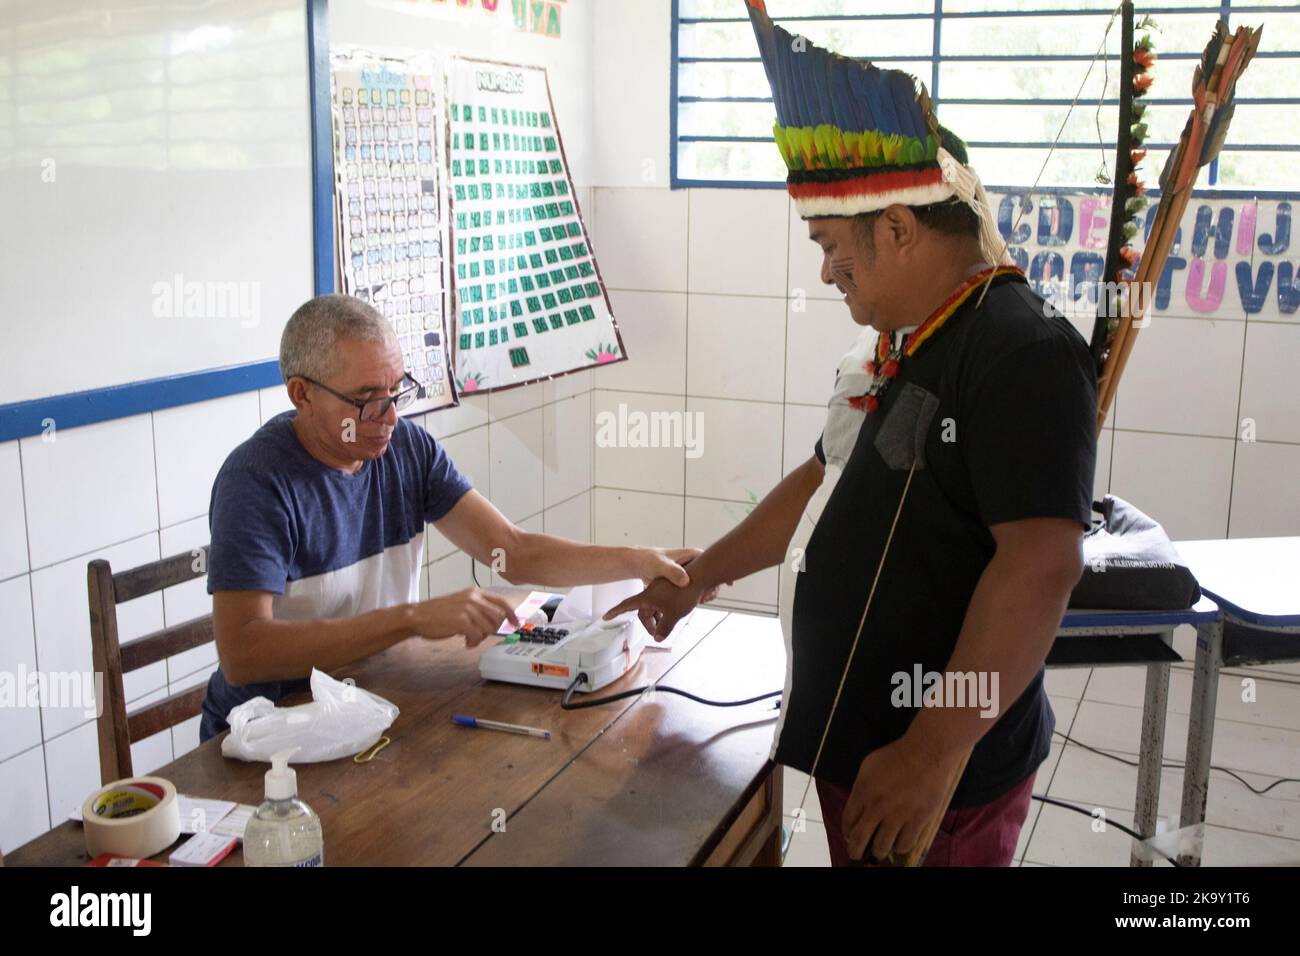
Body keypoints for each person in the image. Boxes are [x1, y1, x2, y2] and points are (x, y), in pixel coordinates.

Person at [604, 0, 1097, 866]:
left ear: (899, 227)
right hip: (862, 746)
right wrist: (698, 578)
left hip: (931, 778)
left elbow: (1041, 564)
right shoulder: (911, 339)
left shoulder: (1021, 349)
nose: (825, 268)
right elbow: (822, 483)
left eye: (832, 243)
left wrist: (933, 751)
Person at [200, 294, 701, 741]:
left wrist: (641, 561)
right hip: (269, 734)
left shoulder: (406, 451)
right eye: (367, 400)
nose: (391, 416)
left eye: (397, 391)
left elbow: (513, 551)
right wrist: (413, 620)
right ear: (301, 395)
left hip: (368, 707)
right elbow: (245, 653)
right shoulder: (257, 482)